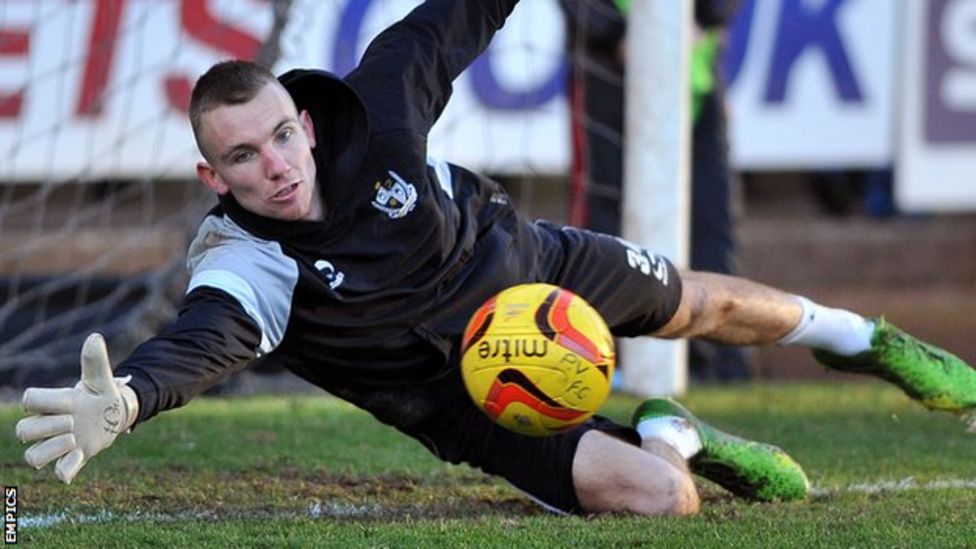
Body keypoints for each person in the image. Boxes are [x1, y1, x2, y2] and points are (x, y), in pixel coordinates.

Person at [14, 0, 976, 517]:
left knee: (704, 305)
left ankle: (869, 339)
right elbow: (204, 339)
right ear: (211, 175)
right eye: (241, 158)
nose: (274, 167)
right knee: (663, 499)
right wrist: (130, 396)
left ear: (302, 119)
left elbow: (465, 12)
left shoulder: (377, 104)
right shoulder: (244, 258)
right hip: (464, 400)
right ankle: (673, 431)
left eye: (279, 137)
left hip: (523, 267)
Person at [560, 0, 752, 381]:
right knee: (602, 217)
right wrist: (615, 33)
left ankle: (717, 362)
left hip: (695, 73)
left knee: (710, 220)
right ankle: (598, 354)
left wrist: (704, 19)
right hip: (606, 70)